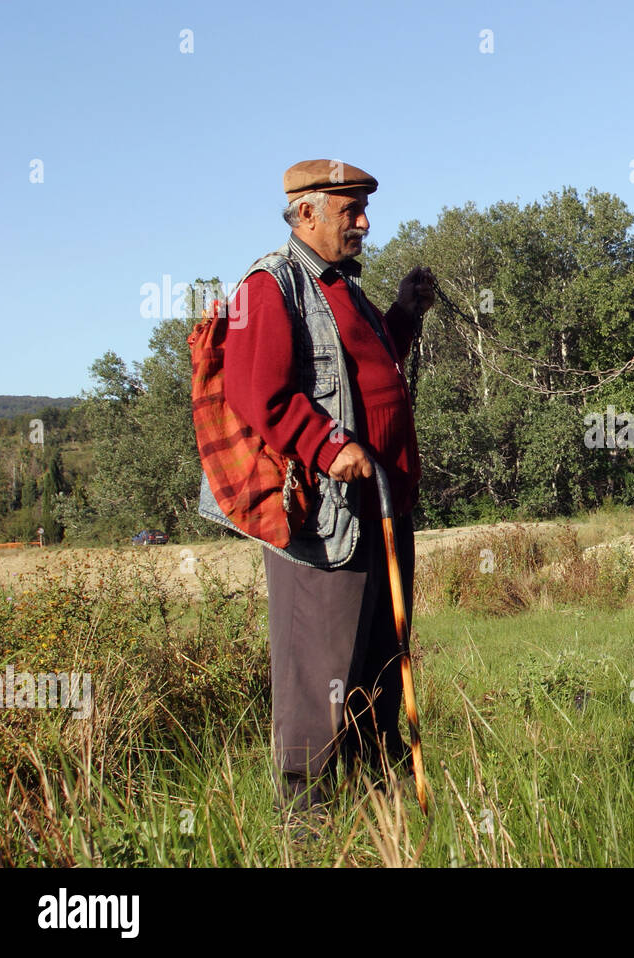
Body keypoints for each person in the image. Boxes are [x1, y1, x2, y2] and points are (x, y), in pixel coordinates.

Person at [198, 159, 435, 817]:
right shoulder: (268, 286)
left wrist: (405, 317)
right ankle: (306, 834)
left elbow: (368, 363)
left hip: (383, 511)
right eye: (349, 209)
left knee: (379, 678)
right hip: (325, 523)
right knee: (319, 689)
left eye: (364, 209)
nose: (363, 222)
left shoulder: (344, 288)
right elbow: (255, 390)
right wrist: (331, 446)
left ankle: (380, 826)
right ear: (306, 212)